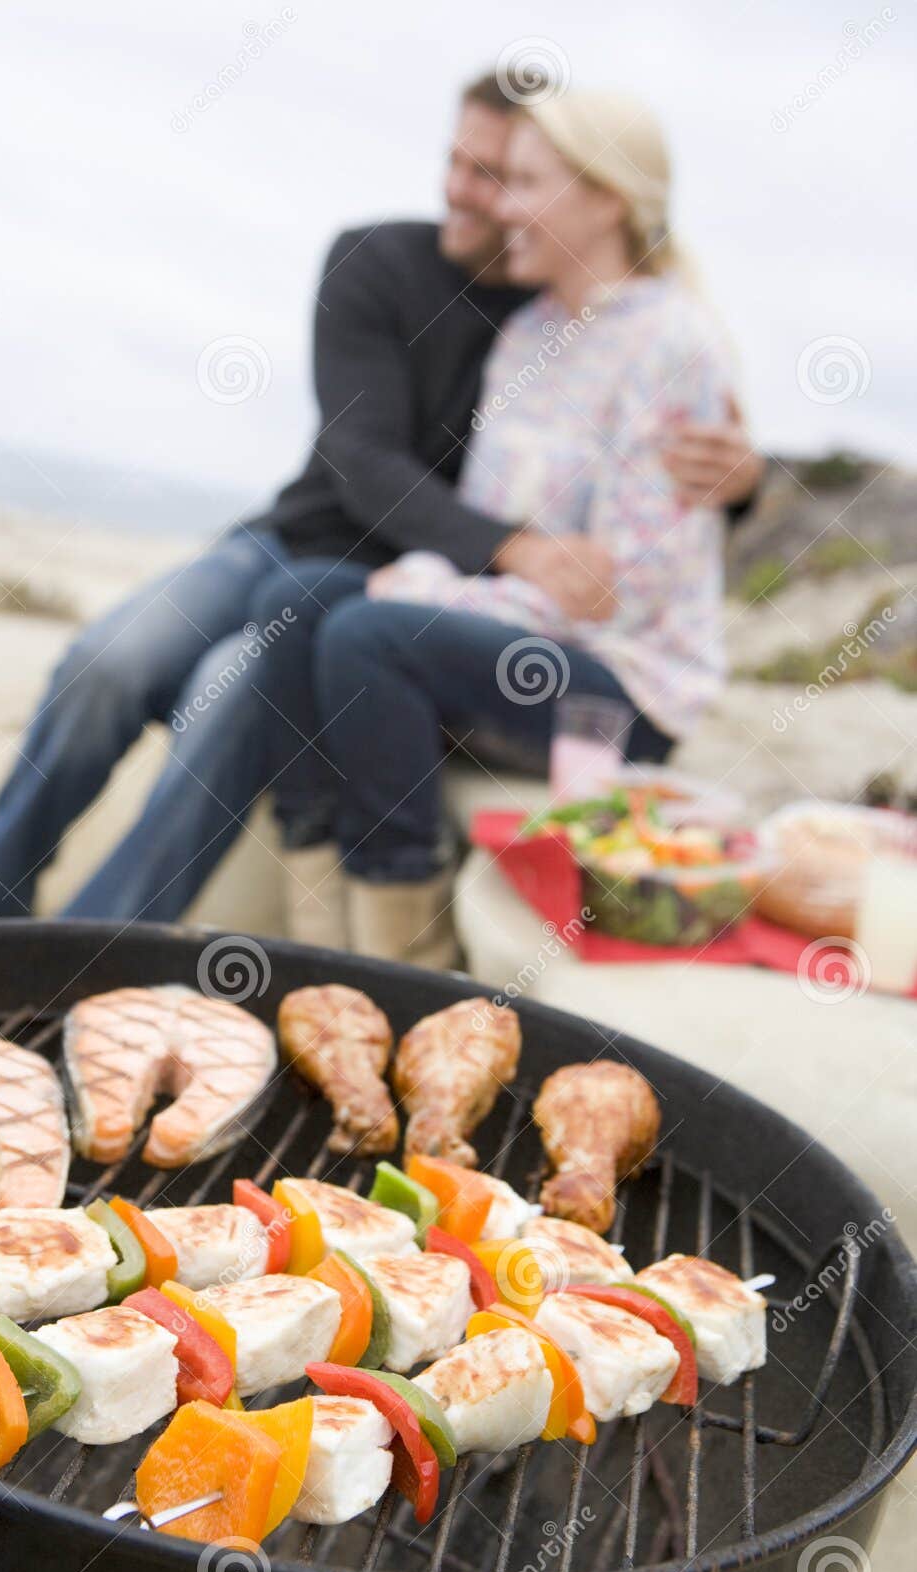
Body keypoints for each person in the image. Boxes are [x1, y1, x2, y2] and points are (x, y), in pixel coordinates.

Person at [0, 72, 760, 932]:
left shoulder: (562, 300)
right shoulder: (387, 265)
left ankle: (96, 947)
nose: (468, 193)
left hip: (413, 583)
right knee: (109, 664)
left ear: (586, 190)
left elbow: (652, 469)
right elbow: (360, 455)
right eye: (462, 163)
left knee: (232, 691)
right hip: (303, 542)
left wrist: (740, 483)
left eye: (504, 175)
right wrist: (515, 551)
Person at [251, 89, 739, 967]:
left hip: (618, 693)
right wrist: (446, 584)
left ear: (604, 198)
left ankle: (410, 961)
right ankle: (320, 938)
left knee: (370, 636)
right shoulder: (523, 336)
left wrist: (432, 589)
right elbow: (497, 547)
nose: (499, 205)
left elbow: (616, 600)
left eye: (524, 183)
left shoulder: (674, 346)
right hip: (517, 639)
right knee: (294, 602)